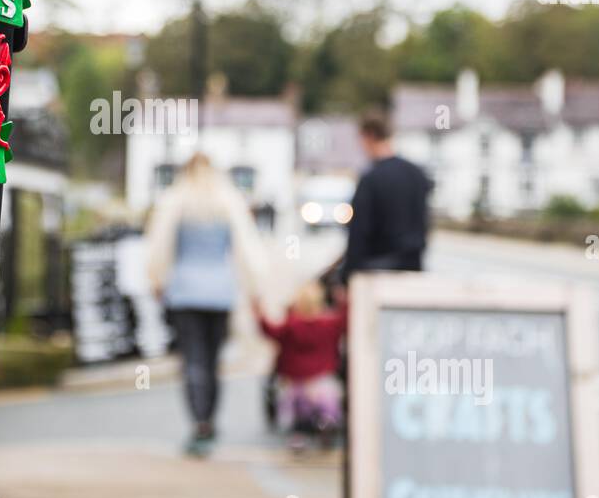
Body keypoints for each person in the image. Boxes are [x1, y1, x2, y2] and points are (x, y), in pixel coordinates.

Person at [145, 153, 264, 456]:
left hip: (185, 290)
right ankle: (209, 418)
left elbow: (159, 246)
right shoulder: (229, 201)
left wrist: (157, 281)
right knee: (213, 361)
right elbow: (247, 248)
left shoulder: (175, 200)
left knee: (192, 360)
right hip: (220, 291)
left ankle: (199, 422)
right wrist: (254, 287)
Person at [339, 110, 433, 280]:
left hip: (375, 272)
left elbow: (359, 233)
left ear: (369, 136)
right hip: (413, 268)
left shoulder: (371, 179)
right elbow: (424, 223)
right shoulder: (417, 174)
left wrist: (346, 275)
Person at [255, 281, 346, 451]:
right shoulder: (329, 324)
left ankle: (298, 436)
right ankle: (326, 423)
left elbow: (269, 330)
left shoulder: (291, 325)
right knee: (328, 406)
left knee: (298, 415)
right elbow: (345, 320)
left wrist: (258, 311)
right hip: (322, 381)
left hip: (295, 382)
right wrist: (343, 301)